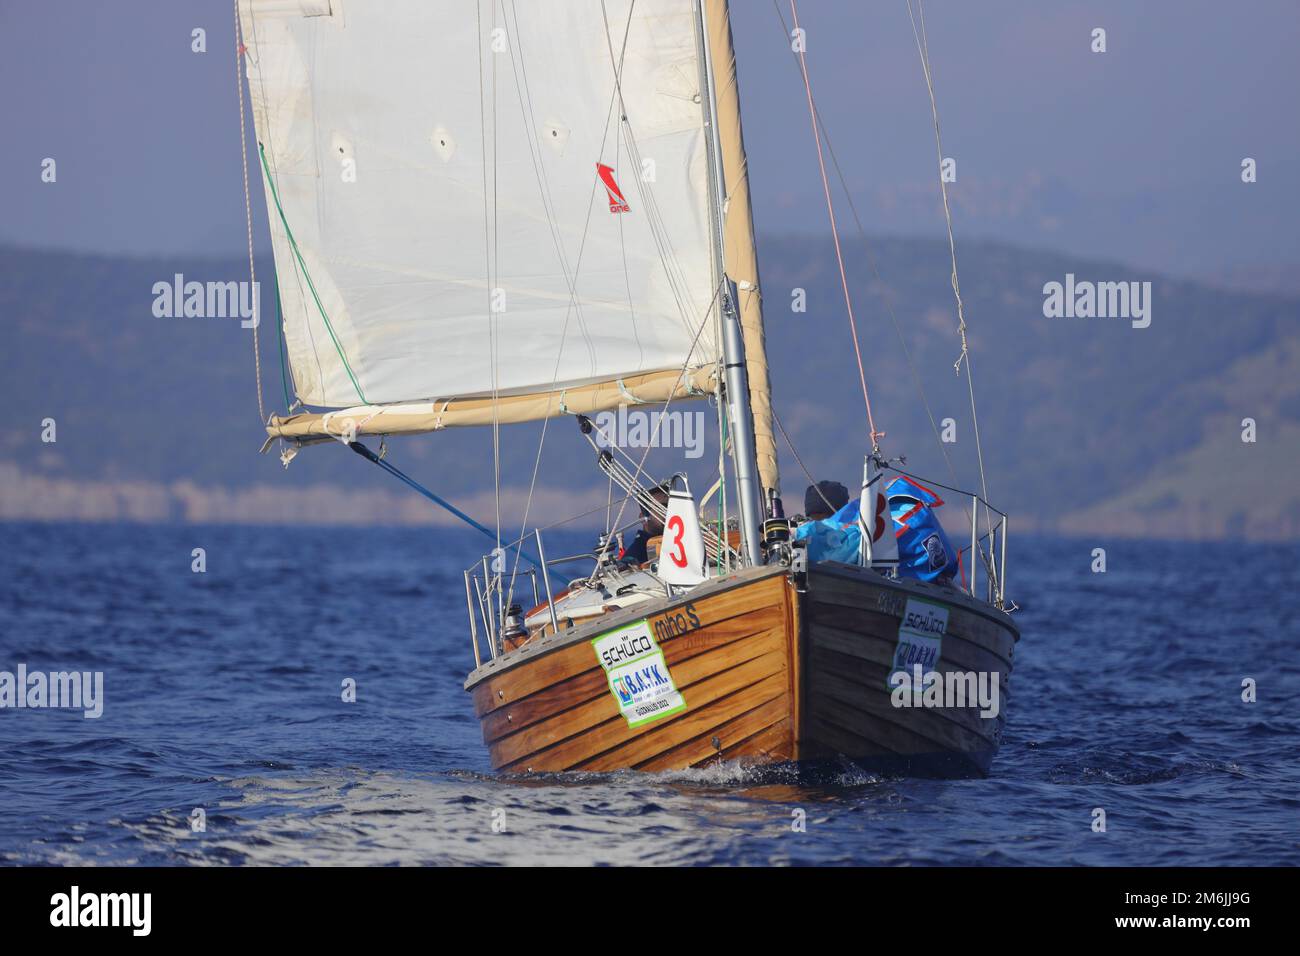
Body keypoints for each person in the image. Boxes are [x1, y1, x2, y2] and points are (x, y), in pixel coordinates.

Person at [622, 485, 670, 565]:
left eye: (670, 507)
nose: (667, 512)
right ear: (643, 518)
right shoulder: (636, 554)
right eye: (661, 508)